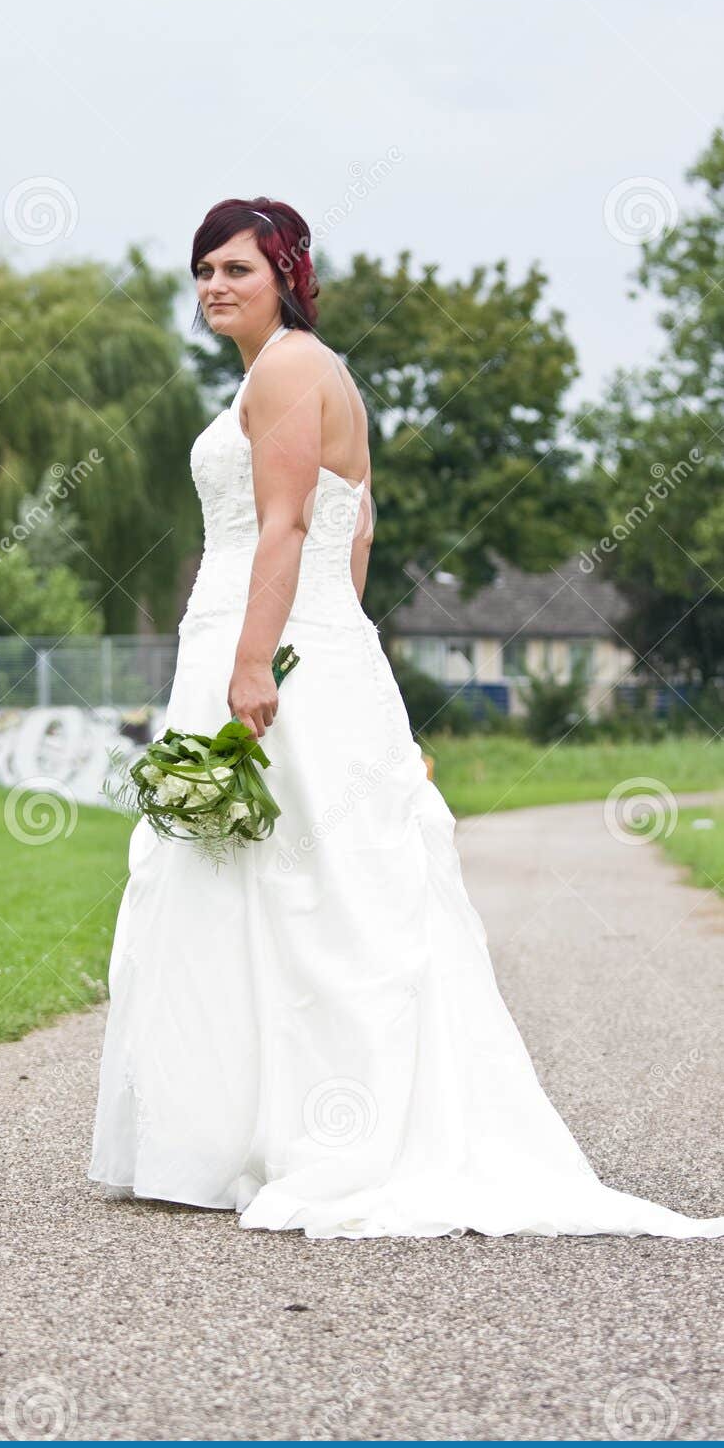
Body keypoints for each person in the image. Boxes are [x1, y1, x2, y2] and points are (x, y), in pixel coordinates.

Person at [87, 195, 724, 1240]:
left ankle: (316, 1134)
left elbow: (288, 524)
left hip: (270, 654)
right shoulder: (296, 373)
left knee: (302, 886)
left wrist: (257, 663)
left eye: (236, 268)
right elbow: (362, 529)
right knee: (257, 872)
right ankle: (230, 1134)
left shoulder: (292, 368)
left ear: (284, 274)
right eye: (202, 269)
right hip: (297, 647)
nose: (213, 285)